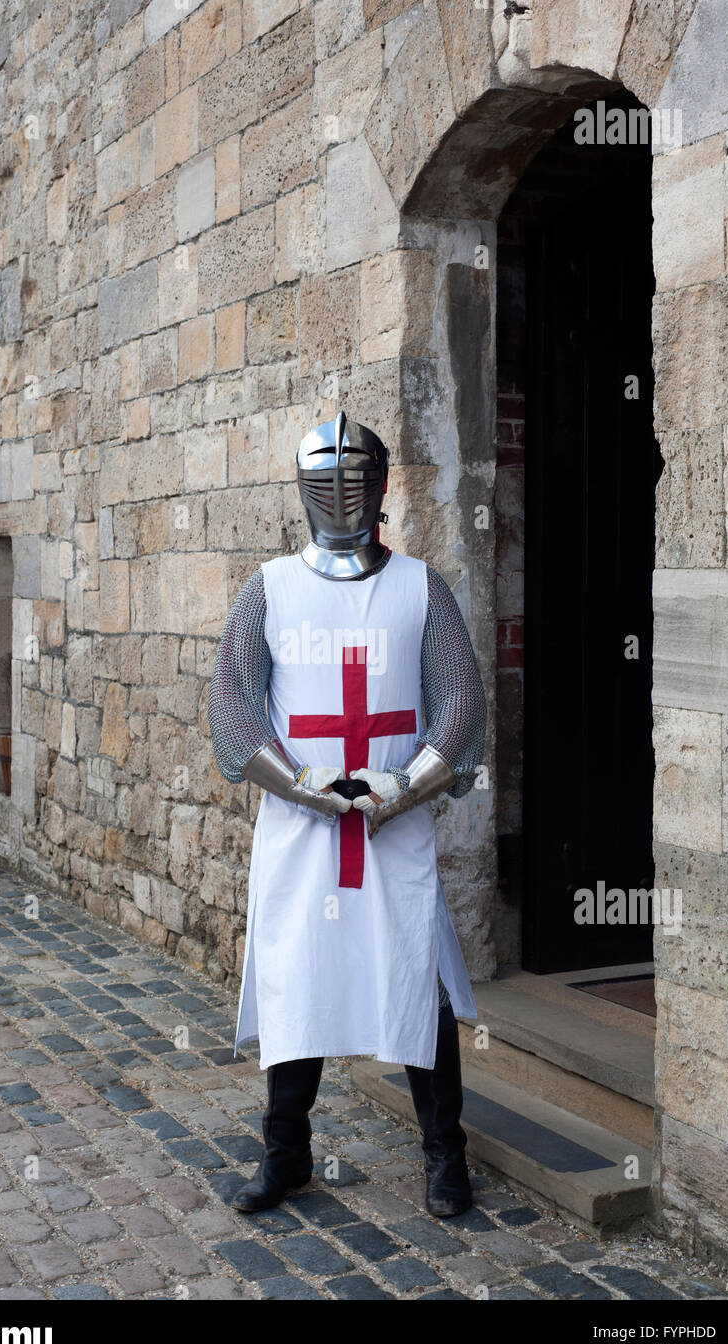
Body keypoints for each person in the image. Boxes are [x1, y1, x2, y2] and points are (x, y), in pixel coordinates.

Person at [207, 411, 487, 1217]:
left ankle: (445, 1158)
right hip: (300, 829)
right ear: (301, 489)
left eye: (352, 476)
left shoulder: (418, 587)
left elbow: (460, 707)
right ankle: (285, 1154)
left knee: (416, 980)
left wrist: (405, 786)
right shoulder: (270, 587)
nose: (338, 493)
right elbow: (232, 700)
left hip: (394, 825)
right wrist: (298, 782)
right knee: (298, 983)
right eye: (321, 478)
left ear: (381, 486)